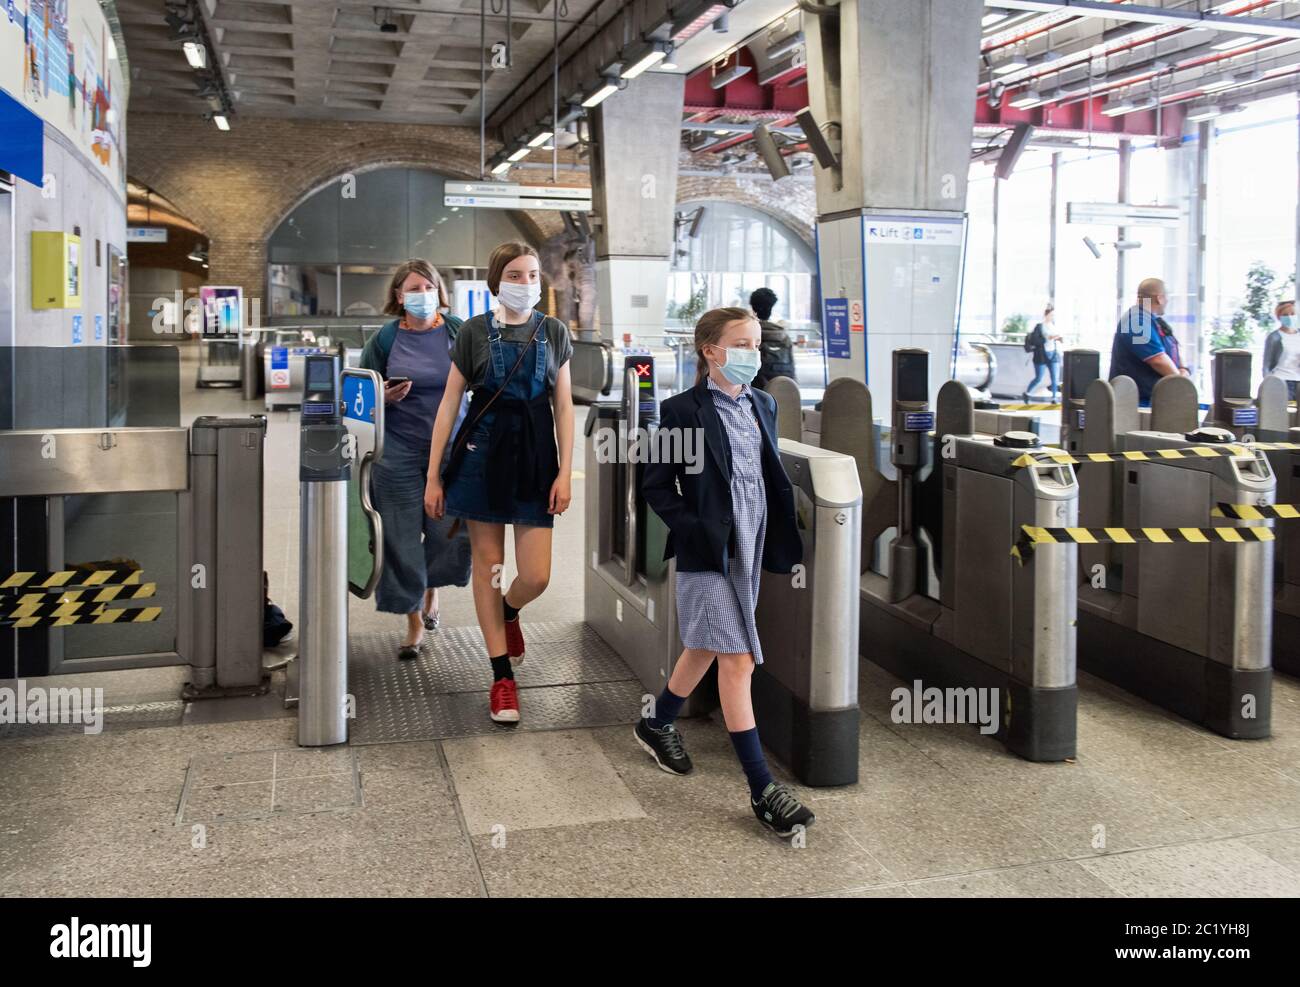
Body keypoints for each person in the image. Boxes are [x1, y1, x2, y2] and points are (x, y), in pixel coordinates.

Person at [633, 306, 815, 839]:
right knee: (737, 660)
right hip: (707, 551)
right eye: (741, 344)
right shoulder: (680, 410)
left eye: (756, 344)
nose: (752, 354)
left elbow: (763, 472)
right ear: (711, 351)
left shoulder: (763, 403)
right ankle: (763, 791)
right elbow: (656, 486)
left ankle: (657, 720)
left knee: (707, 647)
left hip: (752, 547)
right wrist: (694, 529)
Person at [423, 242, 575, 724]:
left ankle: (510, 610)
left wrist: (565, 470)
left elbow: (564, 406)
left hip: (535, 458)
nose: (526, 283)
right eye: (515, 274)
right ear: (496, 280)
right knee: (489, 567)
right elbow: (449, 405)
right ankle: (501, 677)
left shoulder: (553, 333)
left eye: (533, 275)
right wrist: (434, 476)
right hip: (480, 458)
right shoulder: (472, 333)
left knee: (536, 575)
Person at [360, 259, 471, 661]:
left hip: (452, 449)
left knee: (450, 531)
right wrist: (382, 398)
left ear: (439, 291)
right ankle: (413, 620)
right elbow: (357, 394)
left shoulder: (460, 331)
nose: (422, 294)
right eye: (413, 288)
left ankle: (430, 588)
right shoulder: (385, 339)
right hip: (399, 451)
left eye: (429, 286)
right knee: (400, 536)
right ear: (398, 295)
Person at [1110, 277, 1188, 404]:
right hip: (1136, 405)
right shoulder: (1136, 322)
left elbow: (1172, 348)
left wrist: (1183, 369)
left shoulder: (1153, 321)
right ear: (1160, 298)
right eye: (1166, 297)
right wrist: (1180, 385)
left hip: (1156, 402)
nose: (1168, 301)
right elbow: (1158, 360)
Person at [749, 287, 796, 389]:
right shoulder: (784, 336)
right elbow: (792, 369)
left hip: (757, 392)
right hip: (784, 391)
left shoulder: (749, 334)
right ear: (772, 308)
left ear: (753, 308)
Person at [1022, 304, 1062, 402]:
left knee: (1054, 378)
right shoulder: (1039, 327)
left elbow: (1056, 338)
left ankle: (1054, 397)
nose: (1052, 317)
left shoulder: (1054, 327)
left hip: (1053, 354)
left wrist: (1059, 339)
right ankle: (1027, 393)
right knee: (1039, 378)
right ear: (1046, 315)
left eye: (1053, 315)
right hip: (1041, 355)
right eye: (1051, 315)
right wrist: (1047, 338)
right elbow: (1035, 341)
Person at [1262, 299, 1299, 401]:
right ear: (1279, 317)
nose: (1290, 317)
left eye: (1292, 314)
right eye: (1285, 315)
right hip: (1280, 380)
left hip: (1297, 380)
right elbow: (1266, 365)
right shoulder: (1274, 337)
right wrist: (1267, 383)